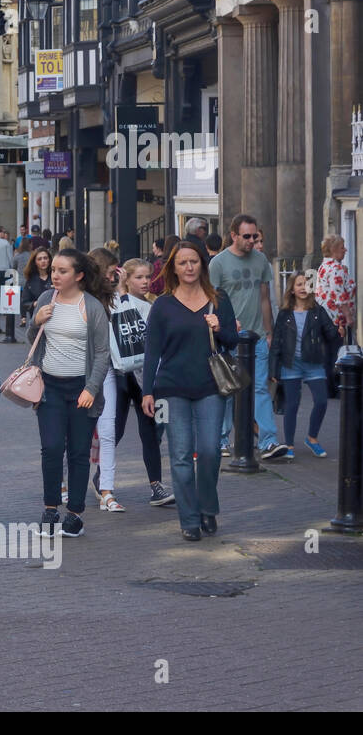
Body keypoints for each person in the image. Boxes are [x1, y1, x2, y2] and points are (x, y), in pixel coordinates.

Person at [141, 240, 239, 541]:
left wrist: (219, 328)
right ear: (173, 267)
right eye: (182, 262)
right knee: (181, 455)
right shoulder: (162, 306)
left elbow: (234, 340)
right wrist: (147, 392)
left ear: (202, 265)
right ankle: (190, 519)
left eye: (193, 261)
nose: (188, 267)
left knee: (210, 450)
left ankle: (208, 506)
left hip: (210, 386)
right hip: (170, 389)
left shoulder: (218, 299)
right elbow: (152, 352)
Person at [27, 248, 112, 539]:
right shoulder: (45, 299)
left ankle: (74, 513)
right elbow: (32, 340)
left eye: (62, 271)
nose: (55, 275)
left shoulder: (92, 307)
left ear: (78, 276)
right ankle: (50, 508)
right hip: (49, 386)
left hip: (80, 389)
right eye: (53, 270)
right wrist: (36, 320)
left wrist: (91, 388)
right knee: (51, 449)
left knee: (78, 452)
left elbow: (102, 353)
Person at [208, 214, 287, 459]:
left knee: (261, 388)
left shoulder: (261, 260)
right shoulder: (218, 264)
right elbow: (211, 302)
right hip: (230, 337)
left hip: (257, 337)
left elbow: (264, 298)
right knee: (228, 390)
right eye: (247, 236)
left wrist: (269, 332)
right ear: (233, 235)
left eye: (255, 236)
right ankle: (221, 440)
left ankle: (268, 442)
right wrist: (222, 328)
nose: (252, 240)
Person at [111, 259, 170, 506]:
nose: (145, 282)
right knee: (116, 429)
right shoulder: (116, 302)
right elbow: (124, 328)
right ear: (127, 279)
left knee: (152, 429)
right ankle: (100, 478)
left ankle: (156, 485)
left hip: (148, 375)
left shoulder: (154, 304)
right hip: (124, 374)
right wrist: (122, 292)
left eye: (148, 277)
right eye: (139, 277)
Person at [270, 273, 340, 459]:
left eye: (306, 284)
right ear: (292, 289)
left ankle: (312, 438)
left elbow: (331, 335)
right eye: (298, 284)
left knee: (321, 400)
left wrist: (337, 329)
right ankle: (290, 445)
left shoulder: (317, 310)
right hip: (291, 362)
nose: (302, 288)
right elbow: (276, 342)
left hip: (313, 362)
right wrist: (273, 369)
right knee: (292, 405)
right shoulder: (284, 313)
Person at [87, 247, 126, 511]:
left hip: (107, 369)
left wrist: (121, 288)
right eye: (112, 273)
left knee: (108, 430)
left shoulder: (113, 298)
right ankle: (65, 484)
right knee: (74, 433)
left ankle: (107, 490)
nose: (115, 278)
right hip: (79, 370)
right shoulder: (82, 298)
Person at [316, 234, 356, 337]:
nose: (345, 250)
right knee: (339, 351)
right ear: (334, 250)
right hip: (337, 321)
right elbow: (339, 296)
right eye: (342, 247)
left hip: (325, 317)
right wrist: (349, 317)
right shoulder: (336, 269)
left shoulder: (324, 266)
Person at [21, 247, 53, 326]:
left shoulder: (55, 277)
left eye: (45, 258)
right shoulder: (31, 281)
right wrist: (35, 304)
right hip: (37, 319)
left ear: (49, 260)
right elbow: (24, 303)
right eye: (39, 259)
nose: (43, 261)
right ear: (35, 262)